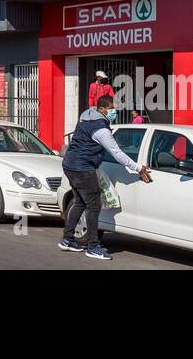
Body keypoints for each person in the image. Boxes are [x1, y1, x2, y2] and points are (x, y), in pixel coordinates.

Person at [59, 94, 152, 260]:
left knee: (80, 203)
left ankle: (67, 239)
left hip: (70, 164)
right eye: (110, 109)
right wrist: (138, 167)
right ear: (101, 109)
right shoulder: (101, 130)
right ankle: (93, 246)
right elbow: (116, 153)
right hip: (83, 168)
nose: (113, 112)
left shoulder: (86, 115)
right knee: (93, 205)